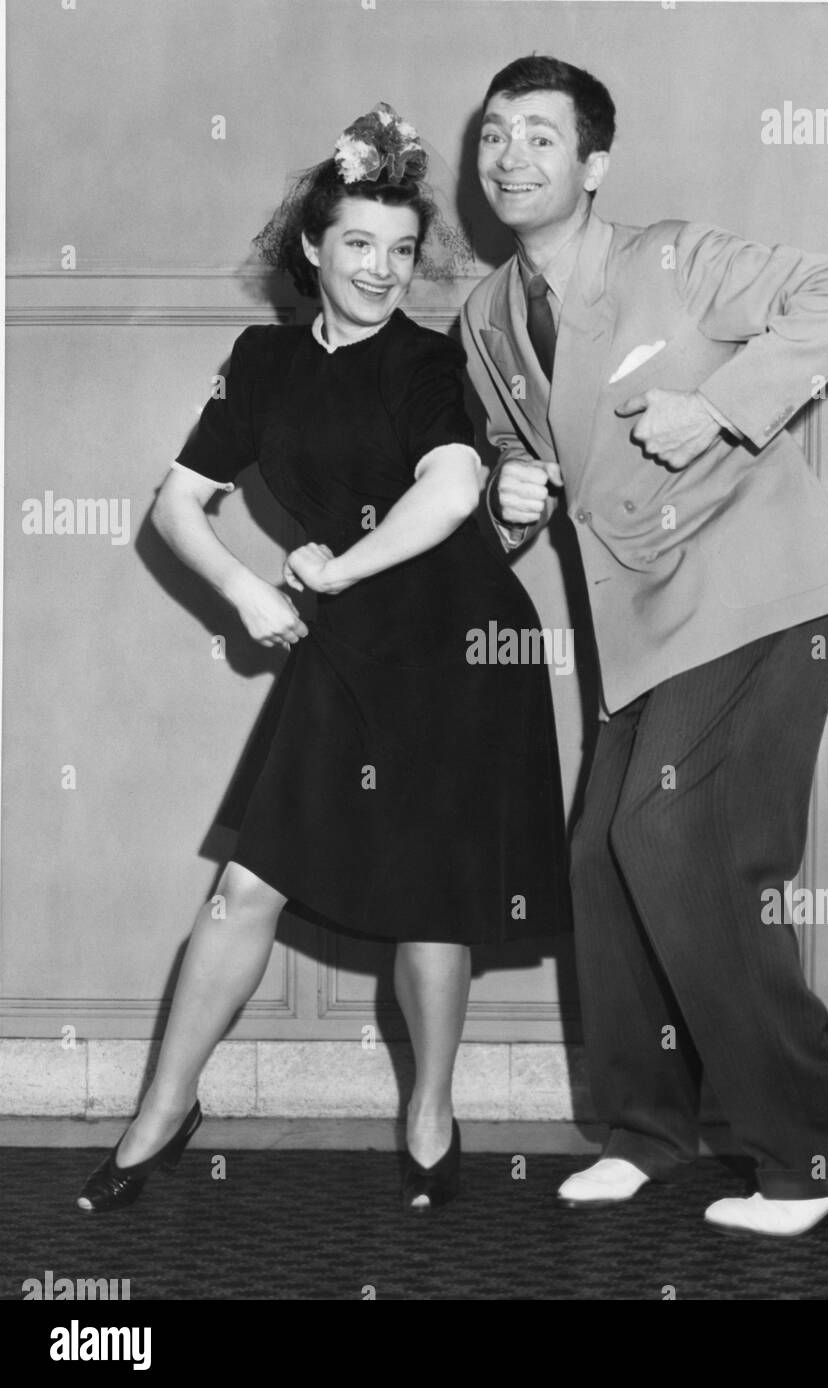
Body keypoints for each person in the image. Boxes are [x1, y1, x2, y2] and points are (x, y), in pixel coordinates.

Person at [77, 104, 570, 1216]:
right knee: (243, 886)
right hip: (344, 651)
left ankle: (431, 1113)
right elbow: (175, 507)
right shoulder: (258, 361)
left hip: (453, 645)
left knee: (430, 904)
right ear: (310, 246)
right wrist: (250, 585)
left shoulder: (425, 359)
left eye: (401, 250)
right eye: (358, 244)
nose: (382, 270)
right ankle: (160, 1113)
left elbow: (452, 488)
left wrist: (336, 571)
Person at [462, 56, 828, 1237]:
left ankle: (824, 1149)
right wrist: (511, 500)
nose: (510, 156)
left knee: (673, 840)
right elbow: (536, 483)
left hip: (760, 600)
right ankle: (647, 1130)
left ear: (593, 166)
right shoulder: (487, 315)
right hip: (641, 625)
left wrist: (716, 405)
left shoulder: (671, 259)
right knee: (600, 860)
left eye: (540, 138)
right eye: (495, 135)